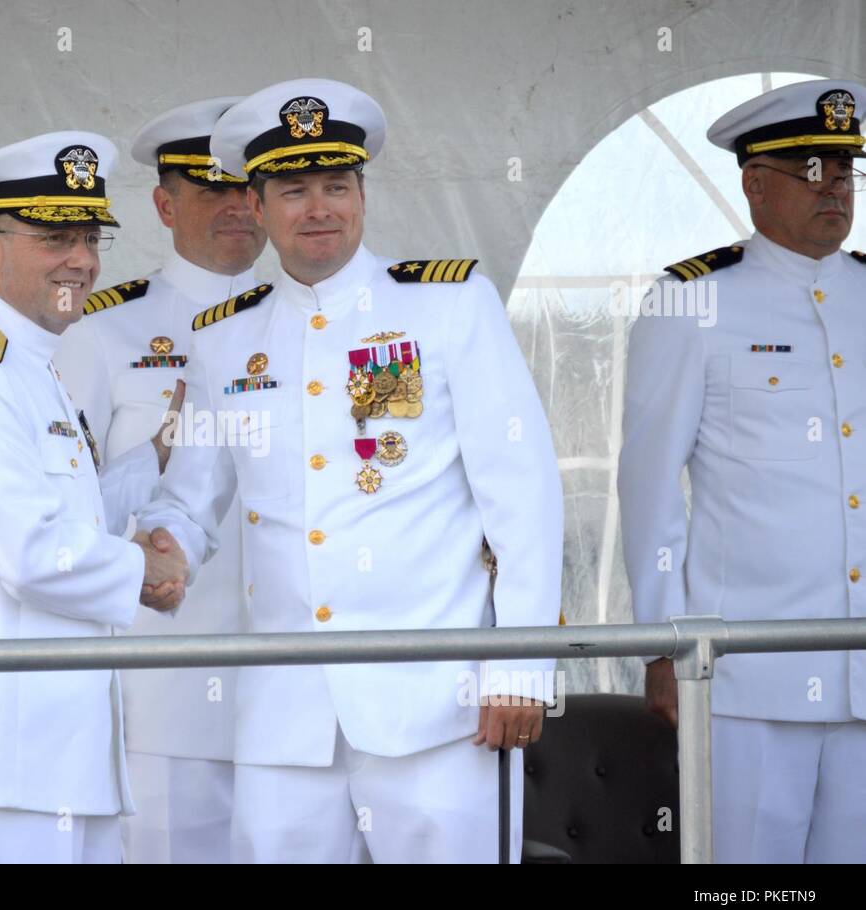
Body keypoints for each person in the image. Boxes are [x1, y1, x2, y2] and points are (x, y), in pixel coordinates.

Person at [134, 79, 564, 863]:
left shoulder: (447, 303)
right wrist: (157, 554)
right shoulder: (226, 337)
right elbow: (193, 499)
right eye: (294, 190)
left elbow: (522, 491)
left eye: (336, 185)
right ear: (258, 208)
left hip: (440, 708)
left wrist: (522, 665)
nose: (319, 208)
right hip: (284, 716)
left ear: (362, 195)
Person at [0, 131, 187, 864]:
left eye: (90, 238)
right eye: (56, 237)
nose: (81, 261)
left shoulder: (29, 364)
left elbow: (65, 517)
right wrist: (145, 571)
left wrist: (149, 460)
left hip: (55, 752)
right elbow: (25, 551)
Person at [621, 79, 866, 863]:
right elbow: (650, 488)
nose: (834, 189)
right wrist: (664, 648)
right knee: (750, 904)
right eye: (811, 171)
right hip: (749, 677)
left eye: (845, 170)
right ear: (754, 183)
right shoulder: (693, 303)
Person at [54, 97, 267, 864]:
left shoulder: (302, 322)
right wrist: (159, 460)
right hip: (170, 680)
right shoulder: (99, 327)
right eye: (214, 189)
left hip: (298, 676)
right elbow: (64, 510)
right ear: (165, 204)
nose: (240, 208)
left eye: (251, 188)